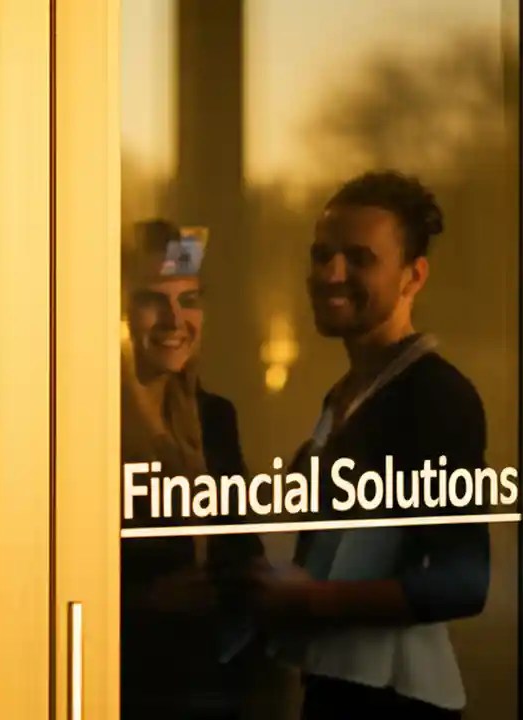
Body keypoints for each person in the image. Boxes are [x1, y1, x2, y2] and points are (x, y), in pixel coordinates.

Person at [252, 171, 491, 719]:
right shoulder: (346, 393)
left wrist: (311, 601)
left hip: (396, 703)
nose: (331, 274)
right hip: (340, 692)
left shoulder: (435, 396)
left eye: (360, 258)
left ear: (414, 277)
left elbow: (463, 580)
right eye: (321, 254)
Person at [120, 219, 266, 720]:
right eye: (152, 299)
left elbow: (242, 547)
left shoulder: (215, 417)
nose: (174, 319)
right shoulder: (83, 426)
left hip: (215, 684)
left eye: (190, 299)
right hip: (121, 684)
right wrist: (143, 601)